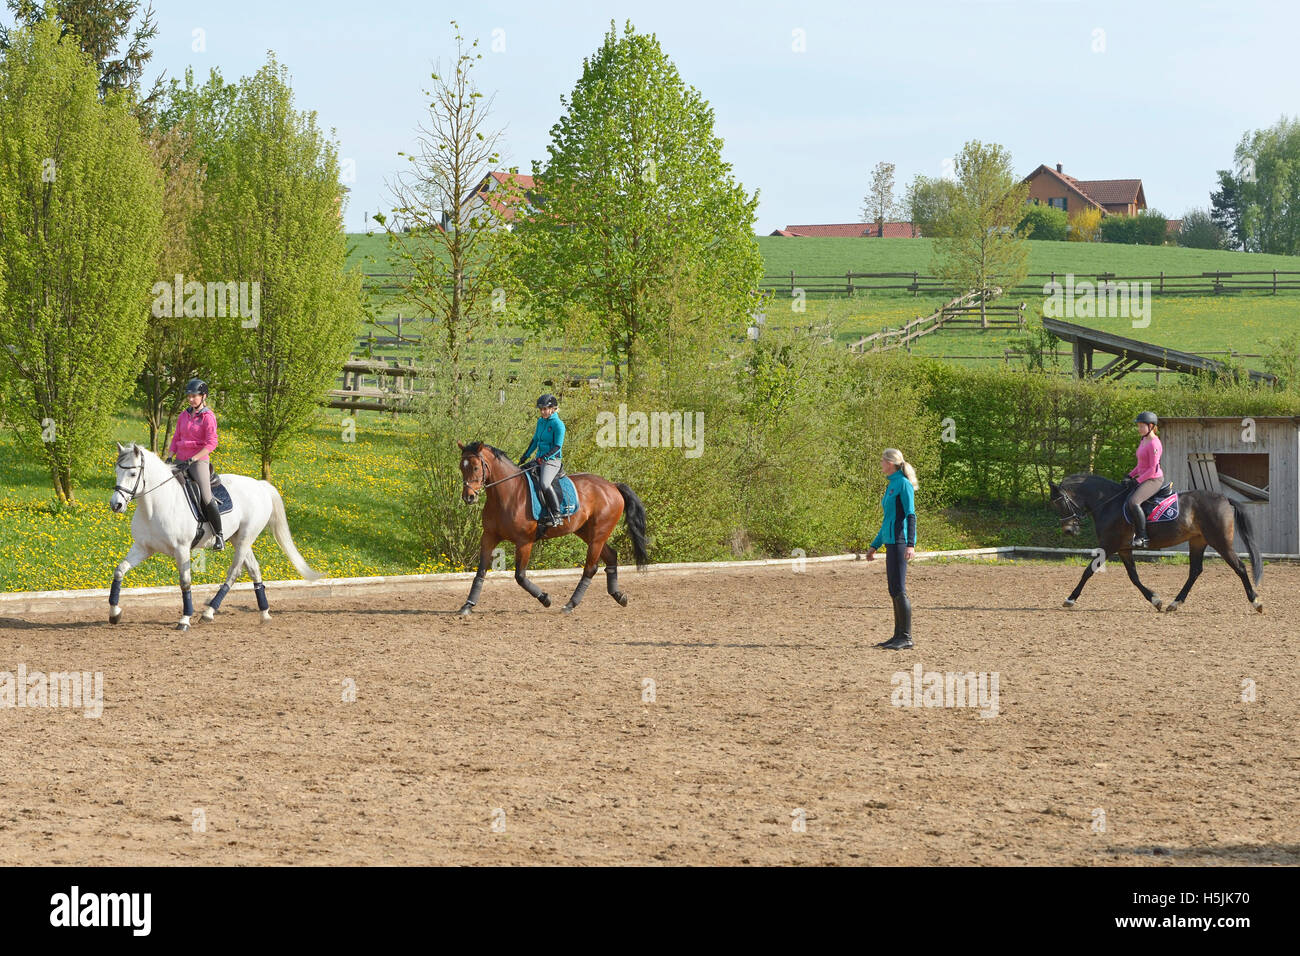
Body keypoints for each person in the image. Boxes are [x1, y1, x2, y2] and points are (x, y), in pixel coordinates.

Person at [864, 448, 918, 650]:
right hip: (890, 542)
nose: (880, 464)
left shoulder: (903, 484)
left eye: (882, 461)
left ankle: (906, 637)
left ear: (891, 462)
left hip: (900, 541)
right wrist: (874, 545)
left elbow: (911, 515)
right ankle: (897, 635)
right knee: (893, 590)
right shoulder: (891, 486)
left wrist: (911, 544)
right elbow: (887, 520)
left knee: (899, 589)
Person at [168, 378, 224, 550]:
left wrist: (193, 459)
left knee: (206, 497)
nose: (191, 399)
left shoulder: (208, 417)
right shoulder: (183, 415)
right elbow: (176, 438)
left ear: (203, 396)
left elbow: (211, 443)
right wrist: (170, 457)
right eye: (189, 396)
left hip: (198, 461)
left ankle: (219, 535)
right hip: (180, 460)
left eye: (194, 396)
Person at [520, 393, 565, 526]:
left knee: (545, 483)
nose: (543, 412)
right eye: (541, 409)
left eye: (545, 409)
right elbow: (535, 441)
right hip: (539, 458)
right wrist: (525, 456)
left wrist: (545, 458)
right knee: (521, 475)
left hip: (552, 461)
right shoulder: (540, 421)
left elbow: (558, 446)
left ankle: (557, 515)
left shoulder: (558, 425)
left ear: (553, 409)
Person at [1126, 411, 1164, 549]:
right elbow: (1141, 465)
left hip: (1154, 480)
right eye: (1139, 426)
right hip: (1144, 478)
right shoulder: (1143, 440)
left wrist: (1138, 480)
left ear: (1151, 426)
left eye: (1142, 426)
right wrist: (1130, 475)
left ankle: (1143, 537)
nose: (1139, 429)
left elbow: (1153, 469)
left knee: (1134, 502)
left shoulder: (1154, 444)